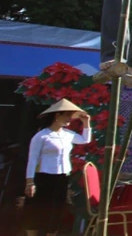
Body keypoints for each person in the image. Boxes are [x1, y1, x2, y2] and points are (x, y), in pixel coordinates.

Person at [24, 99, 91, 236]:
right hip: (43, 177)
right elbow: (32, 159)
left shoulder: (67, 134)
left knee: (56, 209)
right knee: (37, 209)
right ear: (57, 116)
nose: (69, 119)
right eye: (66, 116)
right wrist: (30, 182)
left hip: (62, 177)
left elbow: (85, 140)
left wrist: (86, 123)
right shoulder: (42, 136)